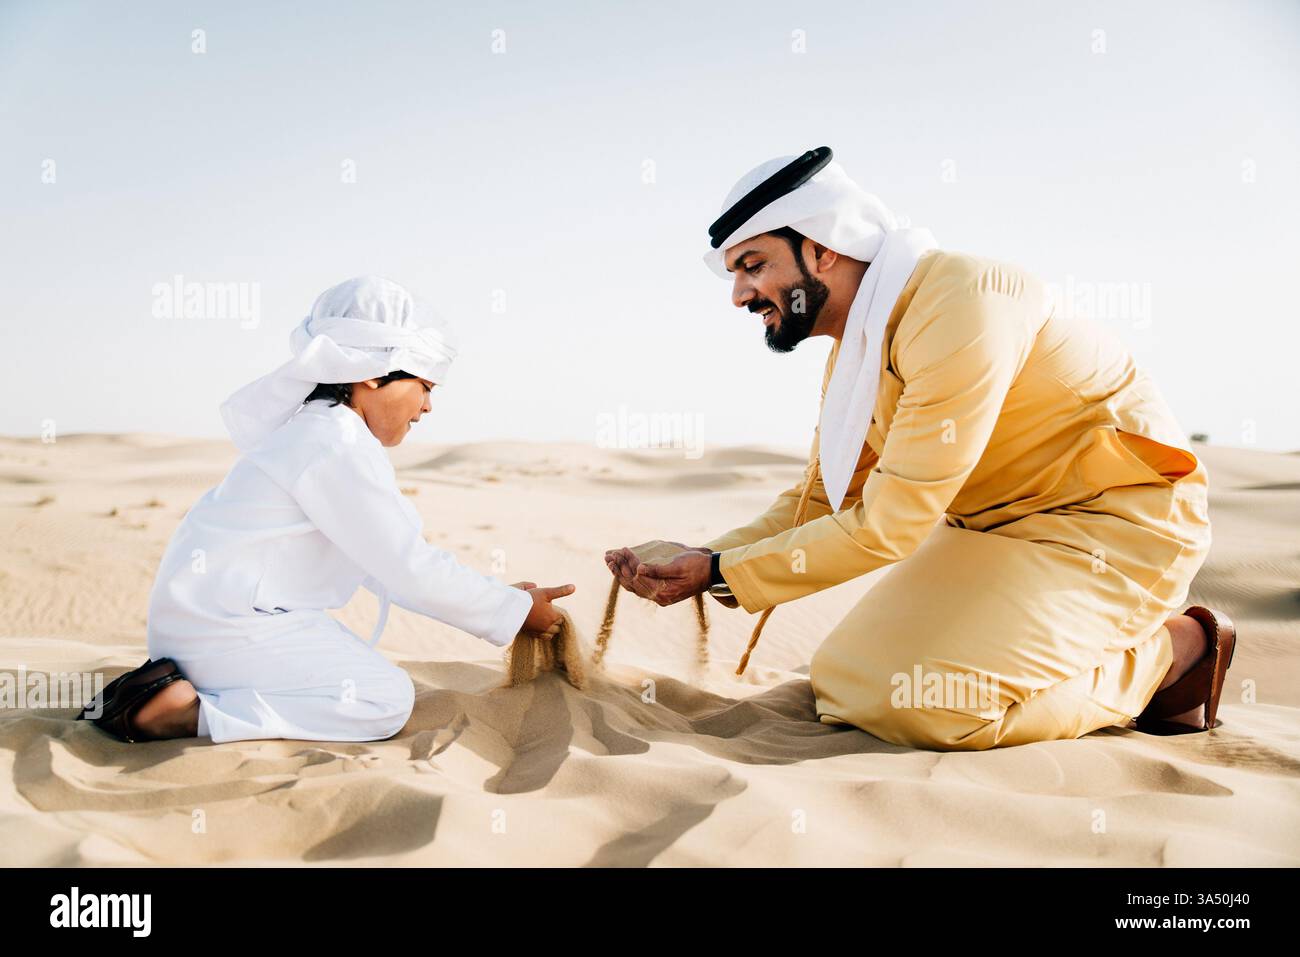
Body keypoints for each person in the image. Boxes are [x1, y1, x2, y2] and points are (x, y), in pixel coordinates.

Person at [605, 147, 1236, 751]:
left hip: (1113, 530)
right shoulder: (860, 346)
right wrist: (709, 556)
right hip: (990, 533)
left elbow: (887, 525)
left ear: (821, 250)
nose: (740, 295)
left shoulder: (962, 303)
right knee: (845, 679)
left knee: (931, 705)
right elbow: (825, 497)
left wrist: (717, 574)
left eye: (753, 265)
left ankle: (1175, 653)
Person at [79, 275, 574, 744]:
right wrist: (512, 611)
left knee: (357, 673)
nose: (427, 407)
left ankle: (178, 690)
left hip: (219, 620)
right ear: (375, 375)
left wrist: (498, 599)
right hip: (223, 627)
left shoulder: (327, 434)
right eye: (425, 385)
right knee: (384, 698)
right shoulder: (332, 444)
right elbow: (406, 568)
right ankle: (185, 714)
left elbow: (383, 561)